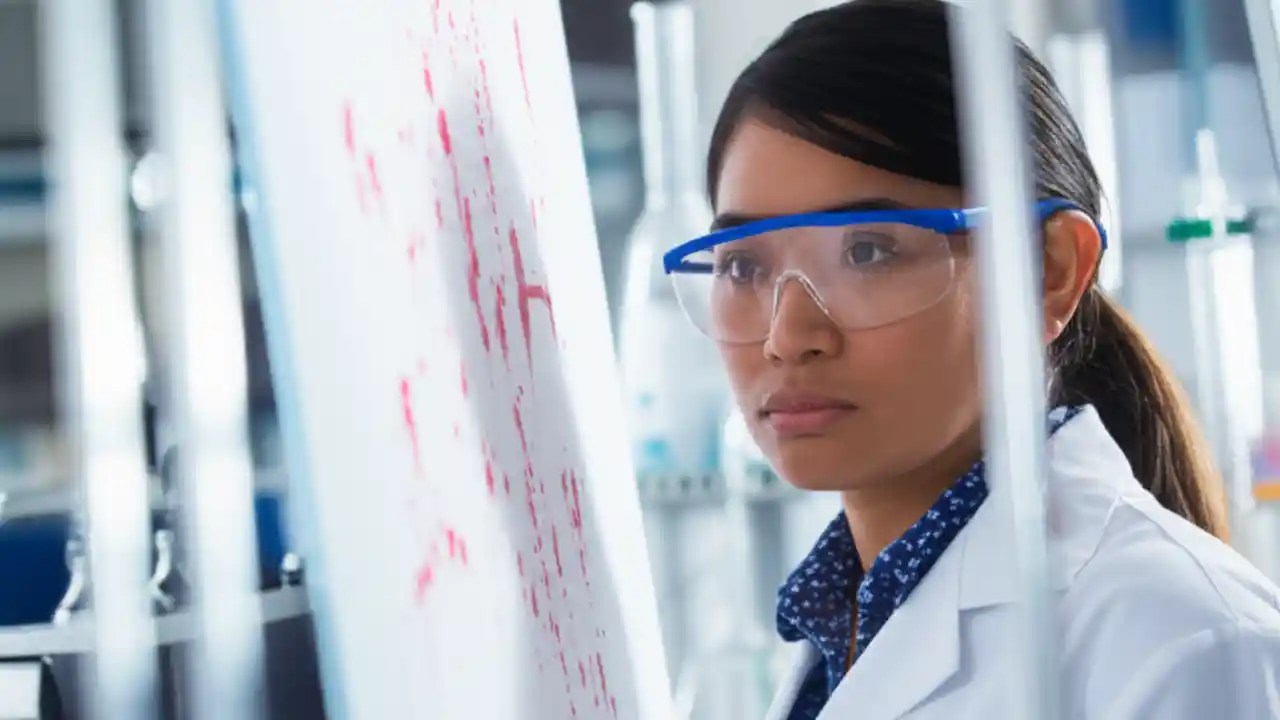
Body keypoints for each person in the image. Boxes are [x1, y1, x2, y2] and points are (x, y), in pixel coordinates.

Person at [660, 0, 1280, 717]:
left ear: (1048, 270)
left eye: (867, 251)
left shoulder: (1186, 643)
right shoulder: (841, 629)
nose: (787, 335)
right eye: (743, 266)